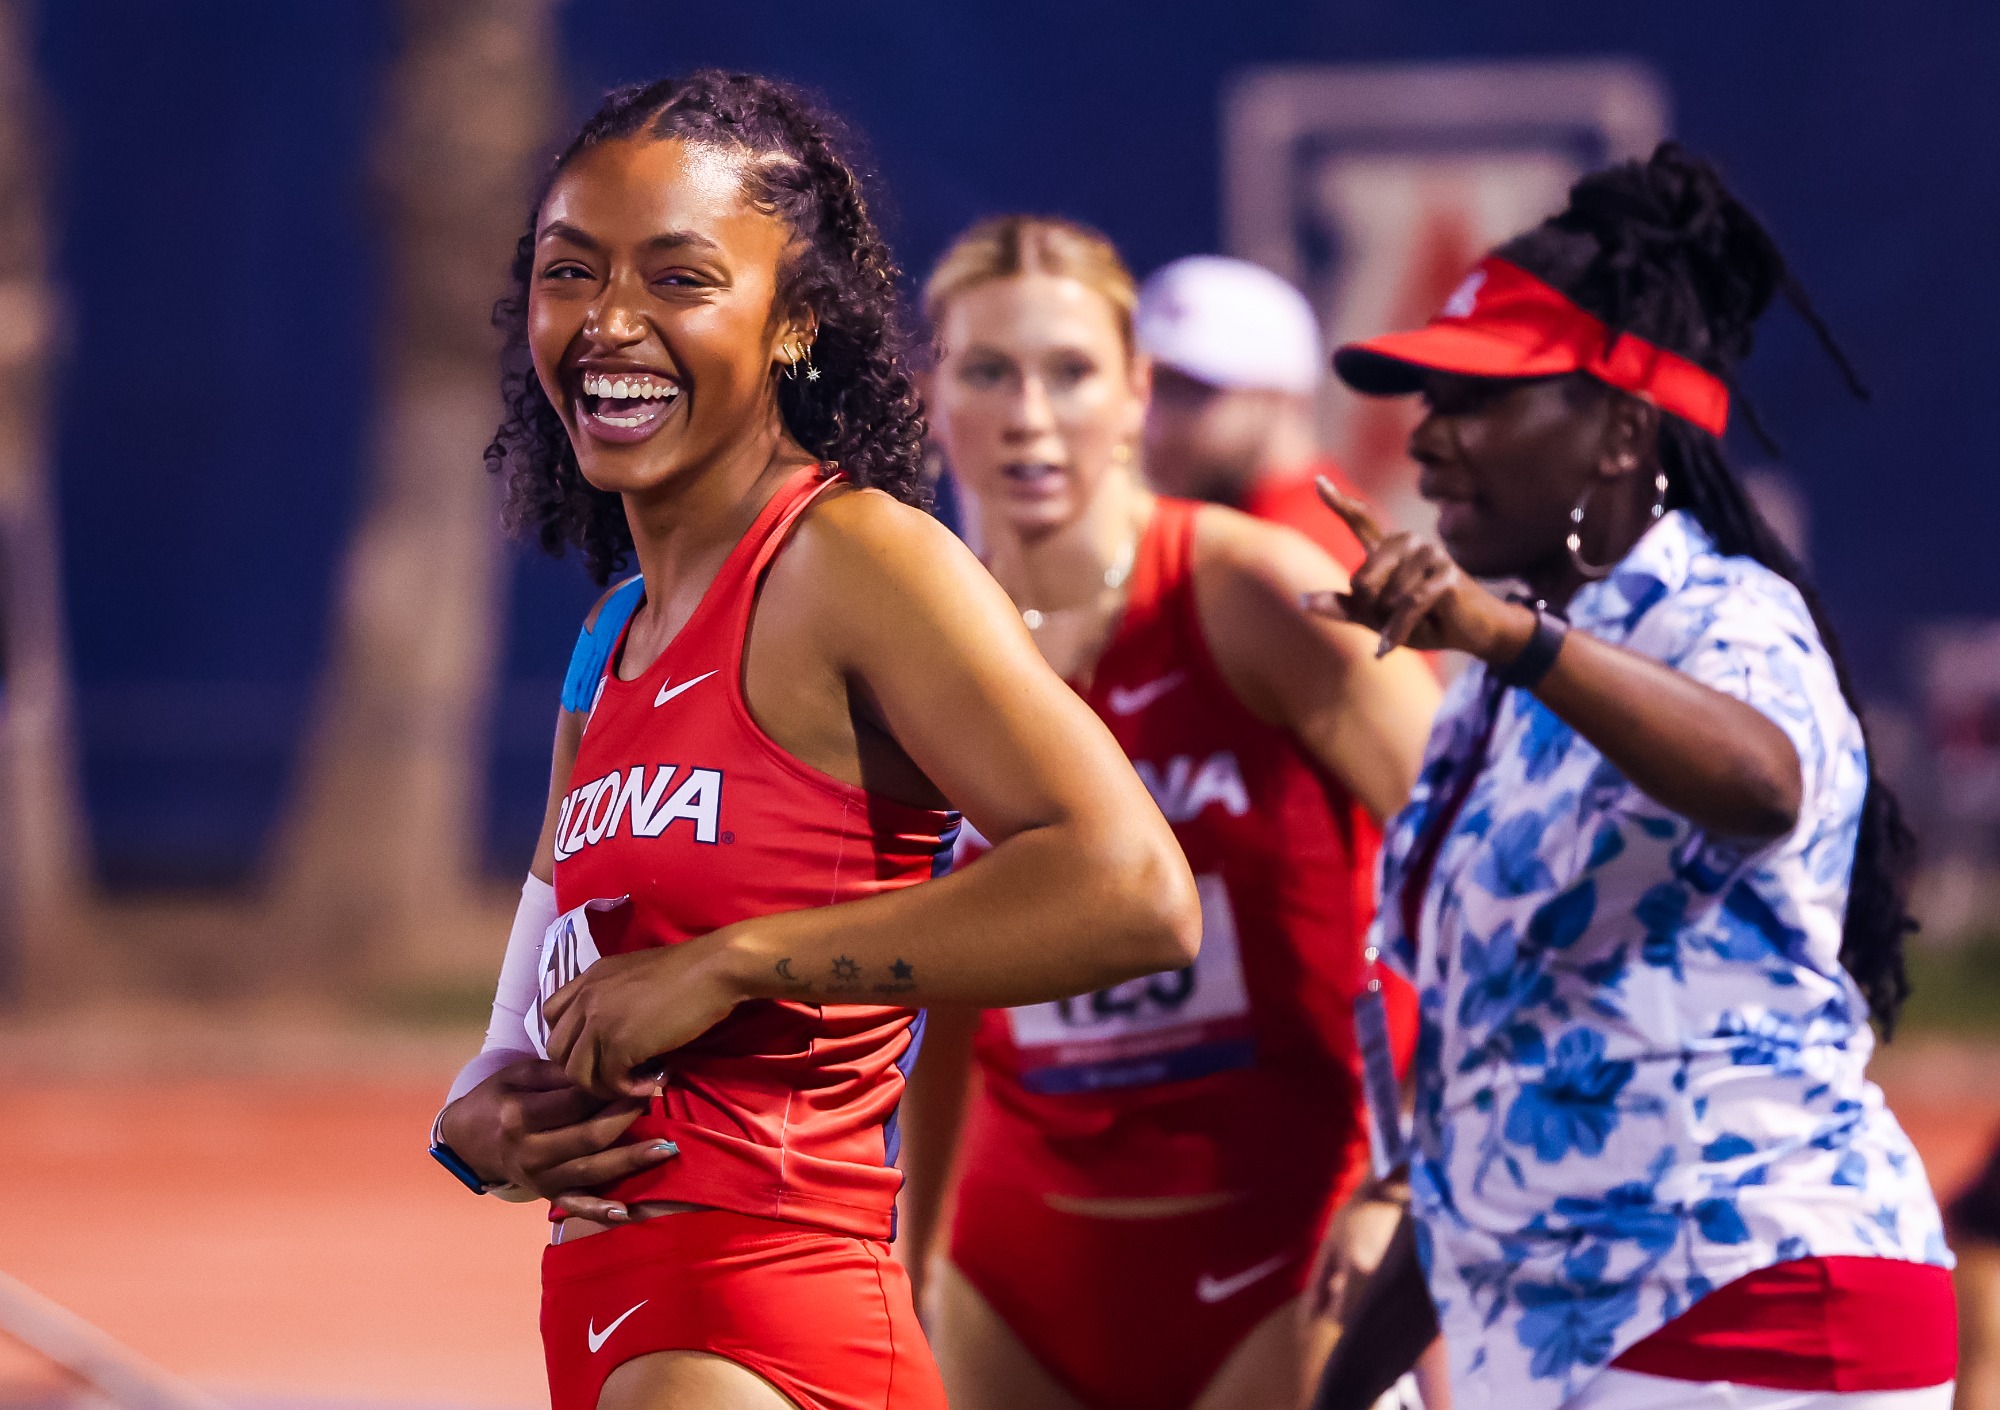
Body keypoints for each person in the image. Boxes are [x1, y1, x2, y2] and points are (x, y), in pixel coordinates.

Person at [426, 75, 1203, 1410]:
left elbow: (1134, 889)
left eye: (679, 280)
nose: (610, 322)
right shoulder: (610, 640)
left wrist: (742, 961)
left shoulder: (857, 559)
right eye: (572, 273)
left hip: (765, 1333)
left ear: (793, 326)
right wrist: (483, 1121)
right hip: (610, 1316)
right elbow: (513, 1041)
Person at [1306, 143, 1957, 1410]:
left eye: (1478, 400)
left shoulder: (1719, 617)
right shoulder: (1487, 705)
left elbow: (1760, 783)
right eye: (1426, 399)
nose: (1425, 438)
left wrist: (1510, 636)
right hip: (1587, 1328)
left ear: (1617, 427)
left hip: (1746, 1310)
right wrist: (1343, 1387)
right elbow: (1496, 1096)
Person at [896, 214, 1440, 1410]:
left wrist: (1405, 1184)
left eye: (1071, 371)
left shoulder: (1253, 591)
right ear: (933, 395)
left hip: (1284, 1249)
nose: (1030, 413)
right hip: (1016, 1271)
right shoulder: (910, 644)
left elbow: (1484, 864)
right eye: (989, 370)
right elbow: (928, 979)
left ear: (1135, 393)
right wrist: (906, 1254)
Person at [1134, 254, 1367, 571]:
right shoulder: (1209, 531)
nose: (1155, 421)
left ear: (1279, 398)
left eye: (1193, 391)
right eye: (1148, 388)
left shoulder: (1319, 552)